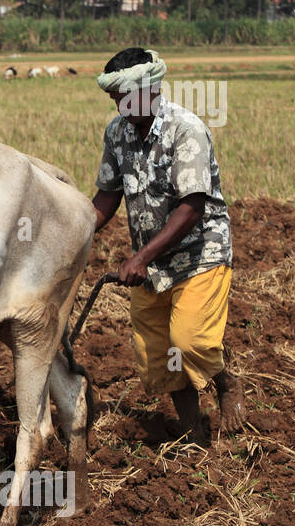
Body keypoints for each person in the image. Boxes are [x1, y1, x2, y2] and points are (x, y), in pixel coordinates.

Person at [91, 47, 246, 441]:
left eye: (124, 96)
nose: (118, 104)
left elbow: (192, 207)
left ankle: (227, 384)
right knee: (158, 356)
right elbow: (107, 197)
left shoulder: (185, 129)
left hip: (200, 254)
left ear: (151, 88)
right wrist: (72, 234)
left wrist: (140, 257)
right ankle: (194, 436)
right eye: (114, 98)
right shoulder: (117, 132)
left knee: (190, 342)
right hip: (152, 264)